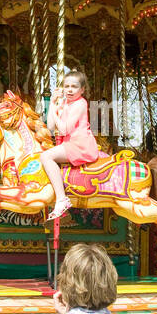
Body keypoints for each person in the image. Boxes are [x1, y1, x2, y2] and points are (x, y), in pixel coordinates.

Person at [42, 70, 101, 220]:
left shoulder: (80, 103)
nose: (69, 89)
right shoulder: (64, 103)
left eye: (74, 87)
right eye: (66, 86)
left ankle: (61, 199)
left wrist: (55, 110)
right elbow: (50, 126)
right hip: (69, 143)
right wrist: (53, 103)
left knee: (46, 156)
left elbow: (64, 129)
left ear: (82, 90)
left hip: (79, 144)